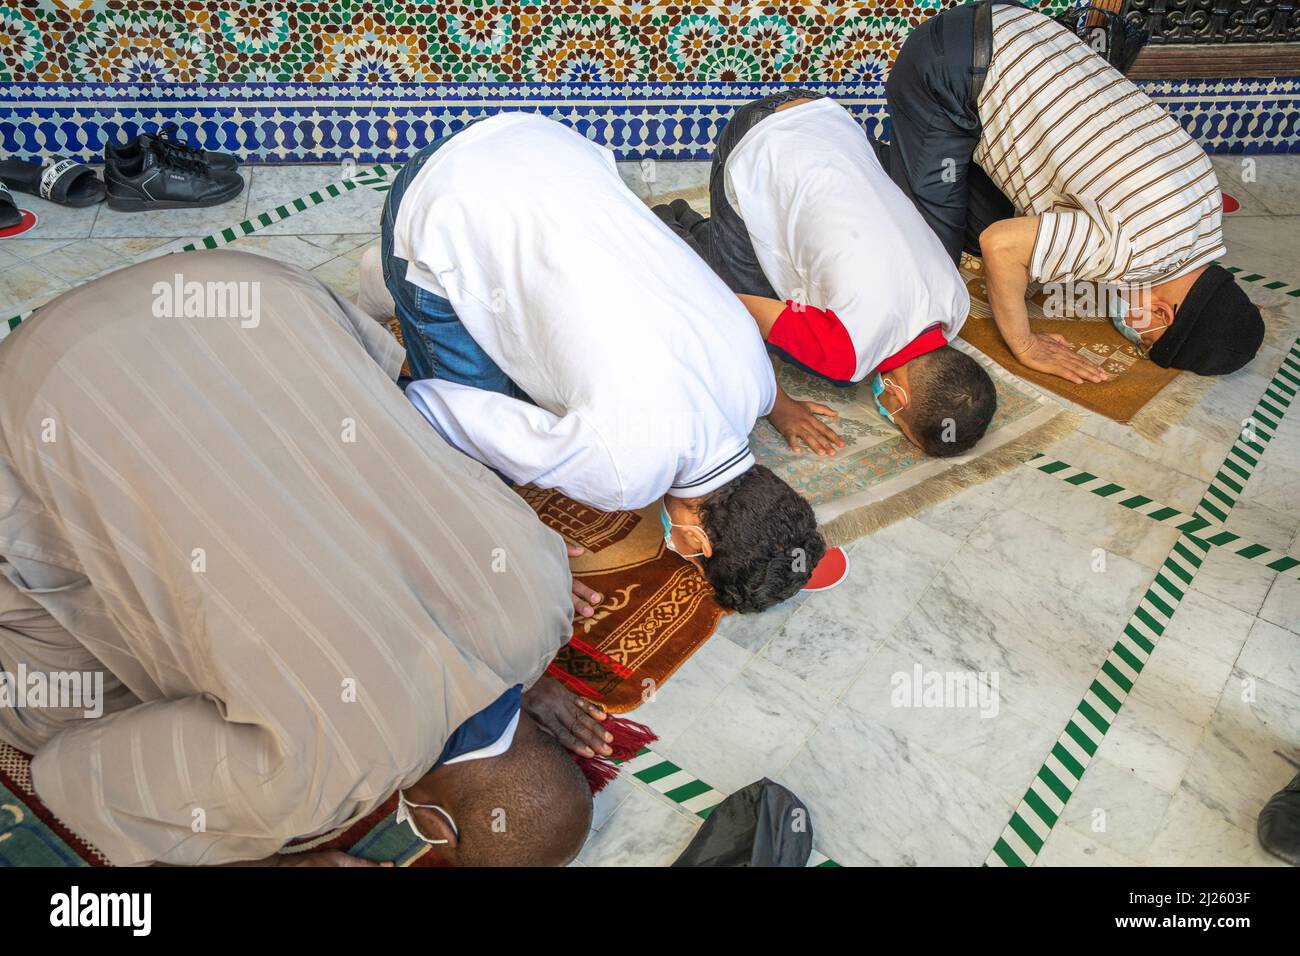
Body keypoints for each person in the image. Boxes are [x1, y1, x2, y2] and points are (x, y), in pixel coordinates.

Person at [0, 250, 607, 867]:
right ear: (434, 827)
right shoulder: (304, 785)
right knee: (45, 716)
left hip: (244, 290)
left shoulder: (543, 598)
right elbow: (71, 778)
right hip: (37, 387)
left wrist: (510, 683)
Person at [380, 112, 825, 613]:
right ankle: (381, 293)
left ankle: (389, 288)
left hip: (546, 144)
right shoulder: (624, 476)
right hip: (439, 196)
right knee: (477, 473)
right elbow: (443, 408)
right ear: (696, 543)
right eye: (691, 558)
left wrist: (781, 407)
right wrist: (511, 546)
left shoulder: (757, 386)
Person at [873, 1, 1263, 384]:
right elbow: (1001, 245)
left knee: (977, 233)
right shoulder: (1132, 251)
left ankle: (918, 162)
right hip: (948, 67)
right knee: (930, 264)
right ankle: (852, 153)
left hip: (1018, 27)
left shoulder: (1206, 208)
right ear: (1161, 314)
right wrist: (1024, 343)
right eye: (1146, 338)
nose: (1133, 332)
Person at [656, 91, 996, 459]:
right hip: (755, 140)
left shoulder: (956, 303)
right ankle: (658, 230)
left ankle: (701, 230)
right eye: (899, 420)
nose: (889, 415)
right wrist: (778, 406)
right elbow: (733, 310)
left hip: (825, 115)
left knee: (790, 300)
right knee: (717, 298)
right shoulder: (846, 354)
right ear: (897, 397)